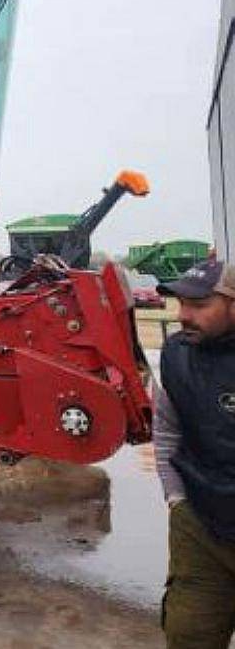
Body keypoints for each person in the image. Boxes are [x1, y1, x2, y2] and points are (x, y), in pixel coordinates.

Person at [154, 258, 235, 648]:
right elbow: (166, 433)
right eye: (181, 303)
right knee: (189, 635)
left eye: (199, 305)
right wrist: (176, 500)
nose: (184, 315)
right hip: (200, 526)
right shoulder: (176, 356)